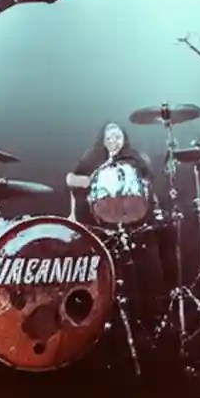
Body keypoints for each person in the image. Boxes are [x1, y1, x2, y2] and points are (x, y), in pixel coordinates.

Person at [66, 122, 180, 331]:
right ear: (102, 141)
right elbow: (70, 179)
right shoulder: (94, 157)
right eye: (108, 138)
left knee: (156, 248)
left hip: (136, 220)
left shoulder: (135, 158)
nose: (113, 141)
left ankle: (154, 313)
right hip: (103, 222)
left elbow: (148, 181)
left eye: (117, 137)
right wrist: (87, 180)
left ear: (124, 138)